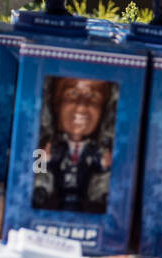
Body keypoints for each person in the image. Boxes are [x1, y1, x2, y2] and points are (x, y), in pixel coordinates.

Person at [36, 77, 112, 212]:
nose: (82, 105)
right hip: (56, 198)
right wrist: (42, 161)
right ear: (56, 103)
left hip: (83, 199)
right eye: (73, 93)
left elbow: (101, 168)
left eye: (93, 96)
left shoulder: (92, 149)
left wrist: (105, 164)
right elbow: (39, 168)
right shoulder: (54, 146)